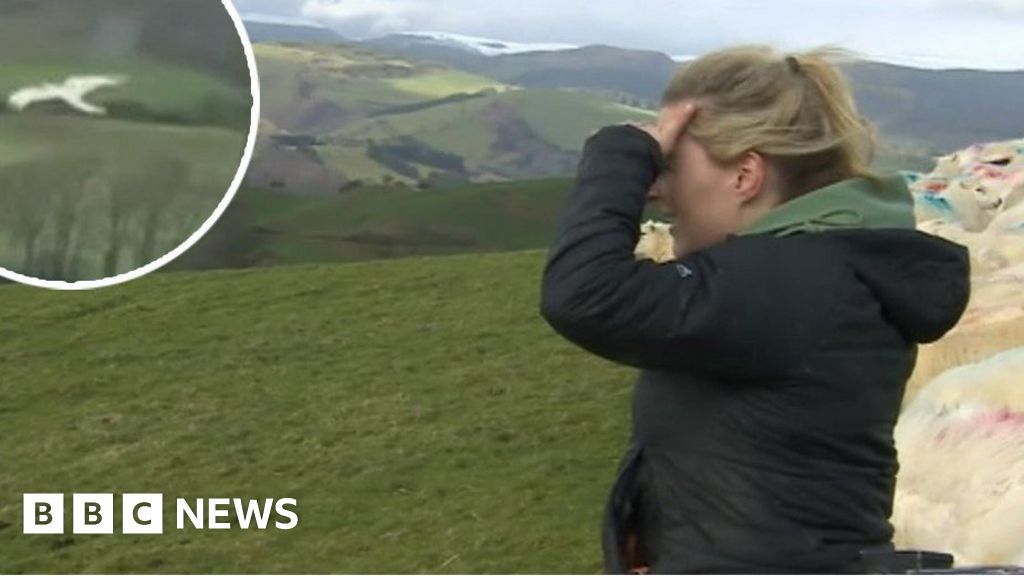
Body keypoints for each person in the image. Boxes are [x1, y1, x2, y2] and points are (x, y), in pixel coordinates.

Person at [539, 45, 972, 573]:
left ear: (745, 175)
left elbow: (584, 293)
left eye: (669, 164)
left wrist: (620, 153)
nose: (656, 190)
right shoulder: (812, 275)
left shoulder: (793, 282)